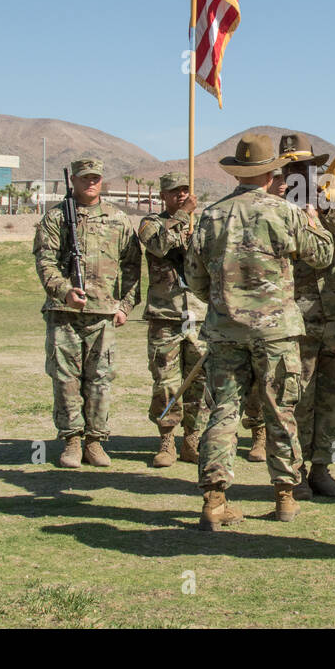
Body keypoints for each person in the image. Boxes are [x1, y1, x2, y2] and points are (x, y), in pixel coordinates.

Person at [186, 134, 334, 528]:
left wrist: (223, 302)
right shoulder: (284, 213)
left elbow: (194, 278)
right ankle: (285, 497)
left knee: (223, 412)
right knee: (280, 411)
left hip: (225, 331)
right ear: (271, 173)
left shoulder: (211, 216)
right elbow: (321, 256)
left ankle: (214, 501)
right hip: (275, 333)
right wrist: (315, 224)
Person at [269, 133, 335, 499]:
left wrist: (325, 210)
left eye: (307, 167)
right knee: (294, 395)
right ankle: (292, 472)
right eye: (293, 167)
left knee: (333, 393)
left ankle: (322, 468)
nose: (301, 174)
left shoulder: (334, 199)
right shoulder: (272, 205)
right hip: (294, 313)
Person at [33, 157, 141, 468]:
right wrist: (64, 290)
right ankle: (71, 440)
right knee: (65, 379)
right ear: (74, 180)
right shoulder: (54, 219)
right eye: (84, 178)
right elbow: (45, 262)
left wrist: (125, 305)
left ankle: (95, 441)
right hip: (64, 313)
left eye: (95, 177)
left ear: (102, 180)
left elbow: (132, 266)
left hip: (103, 314)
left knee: (101, 379)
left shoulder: (118, 219)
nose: (90, 182)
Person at [137, 171, 208, 468]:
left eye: (185, 190)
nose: (181, 195)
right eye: (174, 191)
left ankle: (193, 438)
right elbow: (159, 245)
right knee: (165, 382)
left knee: (200, 383)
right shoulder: (150, 223)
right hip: (165, 314)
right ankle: (166, 438)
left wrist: (198, 242)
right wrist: (182, 215)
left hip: (199, 314)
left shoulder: (200, 224)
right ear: (162, 196)